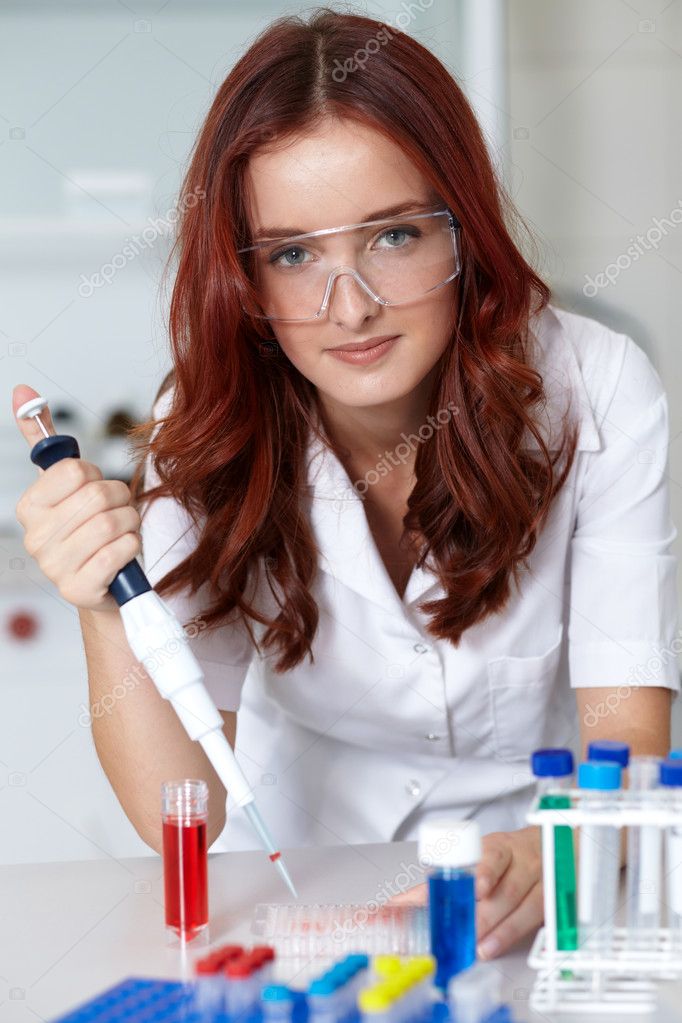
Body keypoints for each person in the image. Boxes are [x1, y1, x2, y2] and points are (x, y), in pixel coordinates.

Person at [12, 7, 678, 961]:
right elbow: (181, 822)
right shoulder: (205, 425)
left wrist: (561, 848)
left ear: (465, 230)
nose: (351, 305)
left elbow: (630, 732)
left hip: (540, 882)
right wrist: (101, 604)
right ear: (242, 278)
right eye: (292, 255)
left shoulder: (599, 386)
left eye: (393, 236)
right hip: (300, 888)